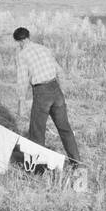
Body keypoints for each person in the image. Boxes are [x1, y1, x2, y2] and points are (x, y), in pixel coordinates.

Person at [12, 27, 82, 167]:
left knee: (37, 132)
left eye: (18, 43)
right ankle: (76, 162)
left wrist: (21, 102)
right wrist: (59, 90)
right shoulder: (43, 48)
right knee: (65, 128)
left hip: (41, 92)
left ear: (19, 41)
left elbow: (22, 81)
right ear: (29, 36)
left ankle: (38, 168)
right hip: (55, 88)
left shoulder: (22, 55)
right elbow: (59, 70)